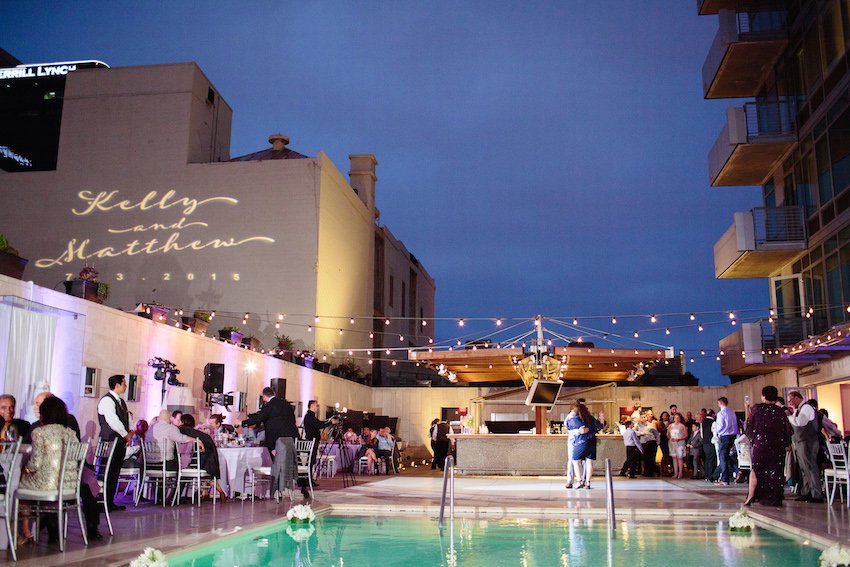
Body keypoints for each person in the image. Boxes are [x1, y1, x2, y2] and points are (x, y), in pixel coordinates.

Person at [16, 396, 81, 545]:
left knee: (18, 485)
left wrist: (25, 469)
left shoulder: (40, 432)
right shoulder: (71, 433)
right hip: (69, 487)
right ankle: (33, 529)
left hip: (49, 485)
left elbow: (36, 463)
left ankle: (25, 531)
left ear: (44, 414)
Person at [242, 387, 301, 496]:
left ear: (264, 397)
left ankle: (277, 489)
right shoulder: (286, 404)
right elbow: (292, 420)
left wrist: (243, 423)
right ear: (274, 393)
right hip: (291, 438)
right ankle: (303, 485)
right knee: (294, 461)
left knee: (276, 463)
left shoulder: (268, 406)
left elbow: (259, 418)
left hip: (277, 440)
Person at [743, 385, 791, 506]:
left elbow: (749, 426)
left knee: (756, 470)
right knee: (776, 471)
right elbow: (786, 430)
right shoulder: (780, 411)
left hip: (761, 445)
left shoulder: (757, 409)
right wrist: (787, 443)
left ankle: (751, 496)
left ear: (763, 396)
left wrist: (746, 409)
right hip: (777, 445)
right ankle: (774, 497)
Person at [97, 374, 133, 512]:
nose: (125, 386)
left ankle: (110, 501)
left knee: (115, 471)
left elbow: (127, 419)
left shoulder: (121, 402)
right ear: (117, 385)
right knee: (107, 470)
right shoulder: (107, 400)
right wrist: (126, 435)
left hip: (120, 441)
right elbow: (113, 421)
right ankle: (102, 501)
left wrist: (130, 431)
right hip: (110, 440)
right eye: (124, 383)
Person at [787, 390, 824, 503]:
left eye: (791, 401)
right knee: (803, 468)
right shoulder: (798, 409)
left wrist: (789, 416)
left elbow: (800, 422)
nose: (790, 404)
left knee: (810, 466)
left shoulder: (806, 408)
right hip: (800, 441)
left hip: (808, 441)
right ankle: (807, 491)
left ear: (797, 398)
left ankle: (816, 494)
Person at [179, 414, 227, 501]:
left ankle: (177, 496)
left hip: (200, 461)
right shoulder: (198, 433)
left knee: (184, 471)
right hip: (209, 459)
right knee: (207, 475)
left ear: (182, 422)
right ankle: (219, 491)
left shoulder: (183, 431)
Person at [567, 402, 603, 488]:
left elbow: (568, 426)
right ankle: (588, 482)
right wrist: (601, 418)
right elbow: (600, 426)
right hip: (592, 442)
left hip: (580, 442)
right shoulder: (591, 418)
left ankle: (579, 481)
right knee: (589, 462)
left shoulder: (575, 419)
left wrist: (579, 430)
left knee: (576, 461)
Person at [302, 400, 332, 484]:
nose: (317, 407)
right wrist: (329, 422)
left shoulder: (311, 416)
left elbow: (319, 423)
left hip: (313, 440)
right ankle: (307, 479)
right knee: (310, 460)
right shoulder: (309, 416)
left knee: (311, 460)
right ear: (311, 406)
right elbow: (318, 425)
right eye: (316, 405)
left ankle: (308, 478)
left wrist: (329, 421)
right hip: (312, 441)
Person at [715, 397, 739, 486]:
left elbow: (720, 426)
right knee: (728, 456)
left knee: (722, 457)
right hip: (732, 436)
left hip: (724, 436)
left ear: (720, 403)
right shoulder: (732, 413)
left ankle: (725, 479)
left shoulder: (721, 413)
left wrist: (716, 430)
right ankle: (736, 471)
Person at [667, 412, 688, 479]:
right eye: (675, 418)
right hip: (672, 443)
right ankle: (675, 472)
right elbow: (668, 434)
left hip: (680, 443)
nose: (676, 419)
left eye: (678, 418)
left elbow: (686, 435)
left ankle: (680, 472)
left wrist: (680, 438)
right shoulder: (671, 425)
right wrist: (670, 438)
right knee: (674, 457)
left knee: (680, 457)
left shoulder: (682, 426)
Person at [699, 408, 717, 482]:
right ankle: (710, 476)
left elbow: (702, 434)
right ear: (713, 414)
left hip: (705, 443)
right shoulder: (713, 422)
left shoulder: (702, 422)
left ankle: (706, 476)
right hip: (711, 442)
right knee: (712, 459)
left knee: (707, 459)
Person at [657, 411, 671, 476]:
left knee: (668, 454)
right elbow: (661, 431)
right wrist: (666, 426)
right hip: (663, 440)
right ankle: (662, 469)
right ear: (662, 416)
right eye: (664, 415)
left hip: (669, 440)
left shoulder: (670, 423)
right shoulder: (660, 423)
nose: (665, 417)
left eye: (666, 415)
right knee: (664, 454)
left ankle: (666, 468)